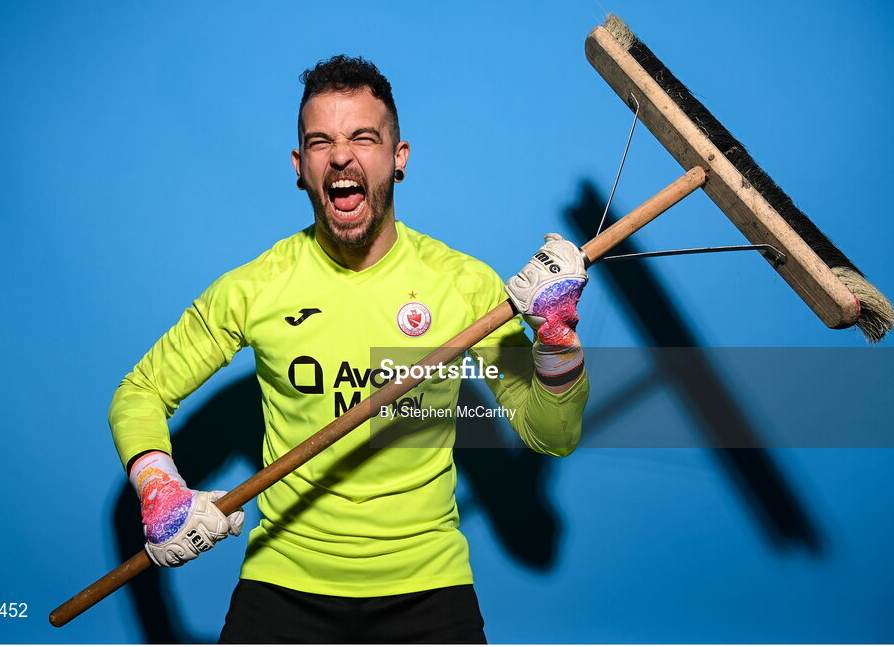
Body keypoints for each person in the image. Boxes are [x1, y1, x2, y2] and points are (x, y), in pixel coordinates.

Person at [108, 55, 590, 643]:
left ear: (398, 157)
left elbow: (553, 434)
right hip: (282, 588)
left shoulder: (465, 286)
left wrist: (557, 338)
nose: (342, 156)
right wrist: (159, 488)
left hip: (429, 592)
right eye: (321, 141)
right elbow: (140, 393)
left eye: (364, 137)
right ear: (300, 166)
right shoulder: (256, 288)